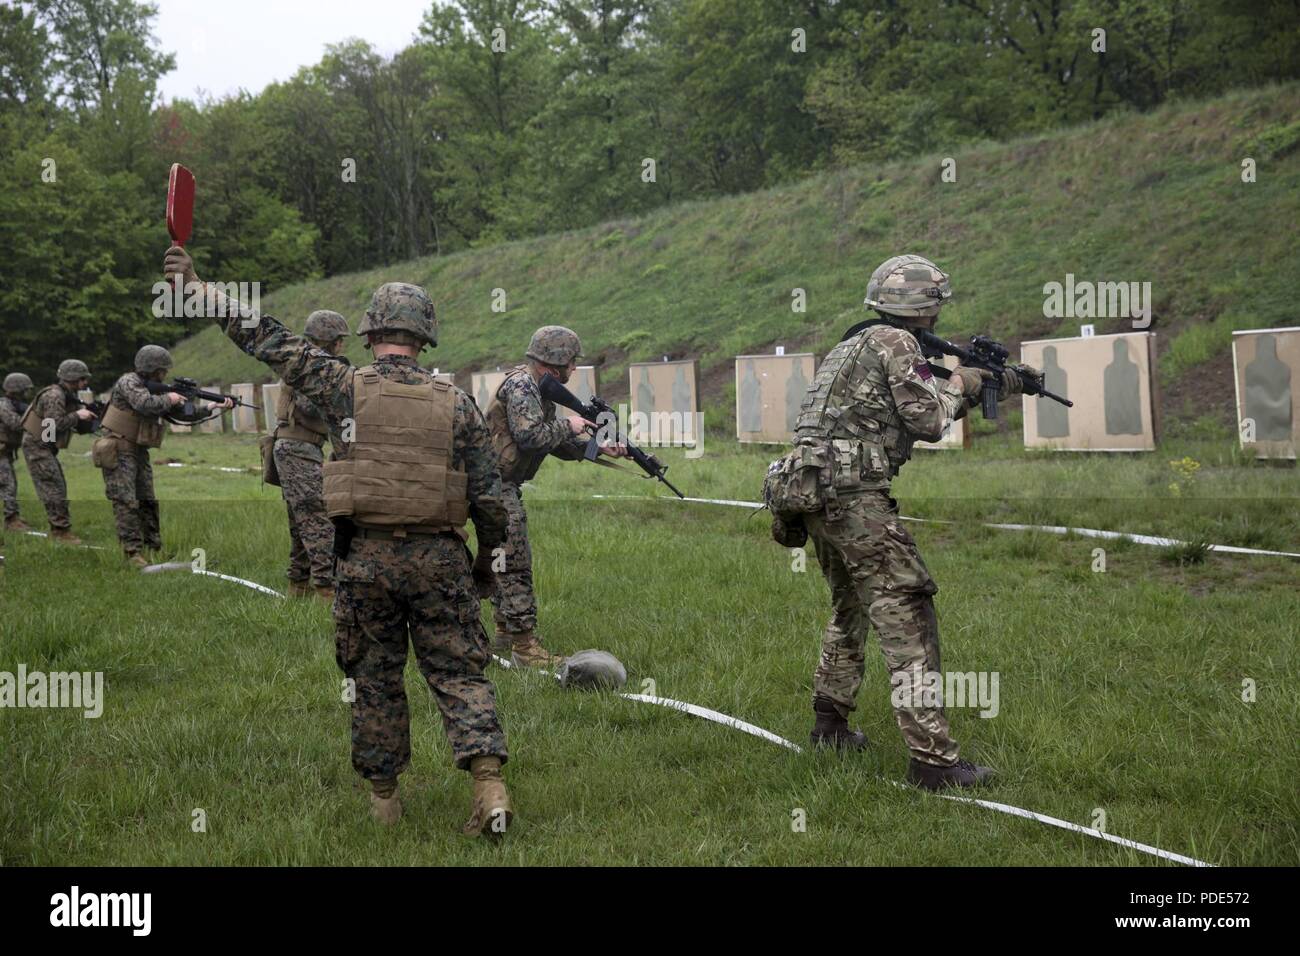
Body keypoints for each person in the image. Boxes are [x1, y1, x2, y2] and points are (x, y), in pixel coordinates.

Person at [163, 244, 513, 835]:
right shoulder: (458, 406)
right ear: (425, 338)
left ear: (371, 333)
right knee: (460, 674)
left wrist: (199, 290)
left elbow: (265, 336)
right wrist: (483, 570)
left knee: (374, 676)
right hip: (440, 559)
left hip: (365, 561)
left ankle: (384, 803)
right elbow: (491, 503)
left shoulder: (340, 384)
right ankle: (490, 786)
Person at [788, 254, 1035, 791]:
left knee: (851, 604)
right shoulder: (898, 344)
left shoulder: (854, 343)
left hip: (811, 492)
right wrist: (967, 380)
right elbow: (927, 419)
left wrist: (993, 383)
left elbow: (907, 409)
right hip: (854, 497)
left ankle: (830, 724)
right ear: (926, 305)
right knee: (907, 613)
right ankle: (935, 763)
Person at [481, 326, 625, 668]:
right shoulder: (522, 386)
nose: (574, 368)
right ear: (555, 361)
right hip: (494, 485)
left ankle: (504, 630)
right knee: (515, 561)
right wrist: (571, 424)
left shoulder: (536, 387)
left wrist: (599, 447)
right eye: (572, 361)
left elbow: (554, 441)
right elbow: (531, 437)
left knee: (502, 557)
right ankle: (526, 648)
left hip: (497, 483)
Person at [96, 346, 224, 566]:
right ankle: (132, 552)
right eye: (163, 370)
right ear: (153, 369)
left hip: (138, 450)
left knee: (147, 500)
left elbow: (180, 414)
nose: (165, 374)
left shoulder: (156, 391)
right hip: (118, 447)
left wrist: (211, 407)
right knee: (126, 501)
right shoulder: (129, 382)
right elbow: (144, 404)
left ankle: (153, 548)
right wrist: (171, 397)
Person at [272, 310, 350, 599]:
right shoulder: (310, 366)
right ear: (329, 339)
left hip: (298, 448)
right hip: (298, 449)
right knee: (317, 519)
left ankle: (298, 586)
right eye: (340, 340)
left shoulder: (306, 361)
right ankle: (328, 589)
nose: (342, 346)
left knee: (300, 520)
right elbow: (310, 407)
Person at [20, 360, 97, 545]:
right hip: (38, 447)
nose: (85, 382)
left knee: (57, 486)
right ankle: (60, 533)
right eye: (82, 379)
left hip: (43, 446)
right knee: (53, 488)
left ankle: (60, 529)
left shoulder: (64, 394)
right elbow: (51, 426)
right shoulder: (54, 396)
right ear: (73, 378)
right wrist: (77, 416)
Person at [1, 373, 35, 532]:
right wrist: (32, 418)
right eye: (25, 390)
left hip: (5, 452)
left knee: (10, 483)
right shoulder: (4, 405)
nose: (26, 393)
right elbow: (15, 424)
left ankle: (13, 516)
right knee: (8, 485)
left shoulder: (12, 404)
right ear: (17, 390)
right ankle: (11, 520)